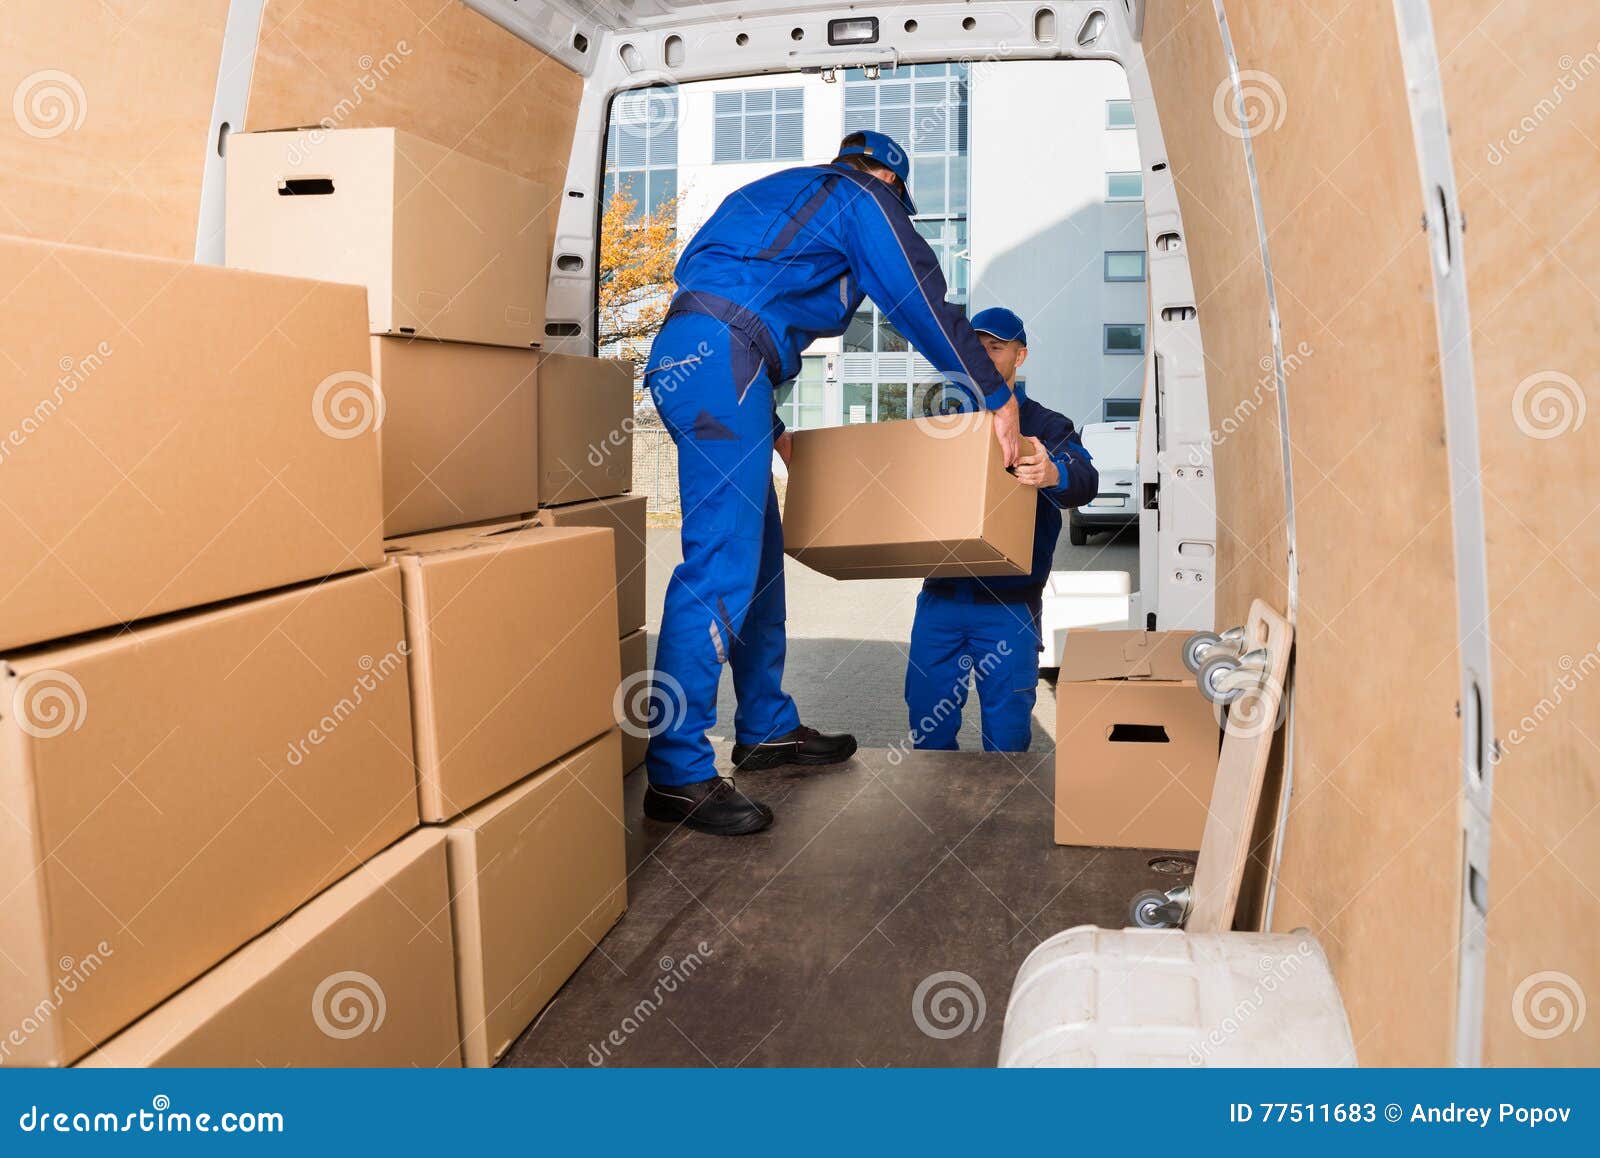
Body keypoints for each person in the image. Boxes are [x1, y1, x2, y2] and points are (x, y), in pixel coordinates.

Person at [642, 130, 1024, 836]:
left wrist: (772, 422)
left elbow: (739, 295)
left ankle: (765, 729)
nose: (896, 215)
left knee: (756, 562)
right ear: (887, 177)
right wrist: (994, 398)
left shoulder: (781, 195)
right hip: (725, 359)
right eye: (898, 202)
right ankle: (676, 770)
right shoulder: (861, 196)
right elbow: (919, 299)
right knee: (719, 565)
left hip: (709, 356)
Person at [904, 306, 1099, 753]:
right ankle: (933, 820)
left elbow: (1085, 479)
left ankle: (999, 822)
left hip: (1008, 606)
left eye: (997, 348)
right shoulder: (946, 423)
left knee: (1007, 739)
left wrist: (1055, 474)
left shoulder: (1047, 426)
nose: (986, 357)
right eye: (977, 348)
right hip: (941, 600)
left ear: (1021, 356)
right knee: (927, 729)